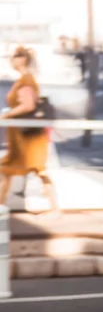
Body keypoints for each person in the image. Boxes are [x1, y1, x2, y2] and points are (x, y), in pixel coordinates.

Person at [0, 46, 58, 210]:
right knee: (7, 170)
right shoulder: (24, 79)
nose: (11, 61)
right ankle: (0, 206)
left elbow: (27, 105)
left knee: (39, 170)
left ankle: (55, 209)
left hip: (29, 138)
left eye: (13, 57)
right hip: (21, 137)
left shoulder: (26, 80)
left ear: (22, 59)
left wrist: (5, 116)